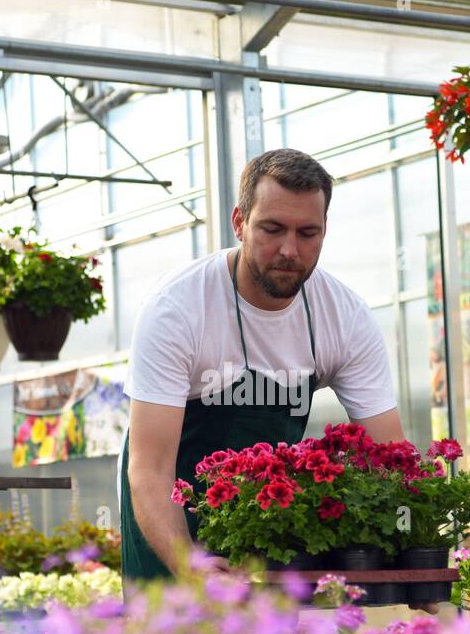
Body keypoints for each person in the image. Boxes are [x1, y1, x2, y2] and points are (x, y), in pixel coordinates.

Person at [119, 147, 415, 588]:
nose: (289, 250)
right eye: (272, 229)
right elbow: (150, 468)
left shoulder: (344, 316)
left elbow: (390, 456)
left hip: (268, 528)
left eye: (308, 233)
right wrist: (190, 564)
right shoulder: (178, 308)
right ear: (239, 223)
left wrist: (408, 561)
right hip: (171, 519)